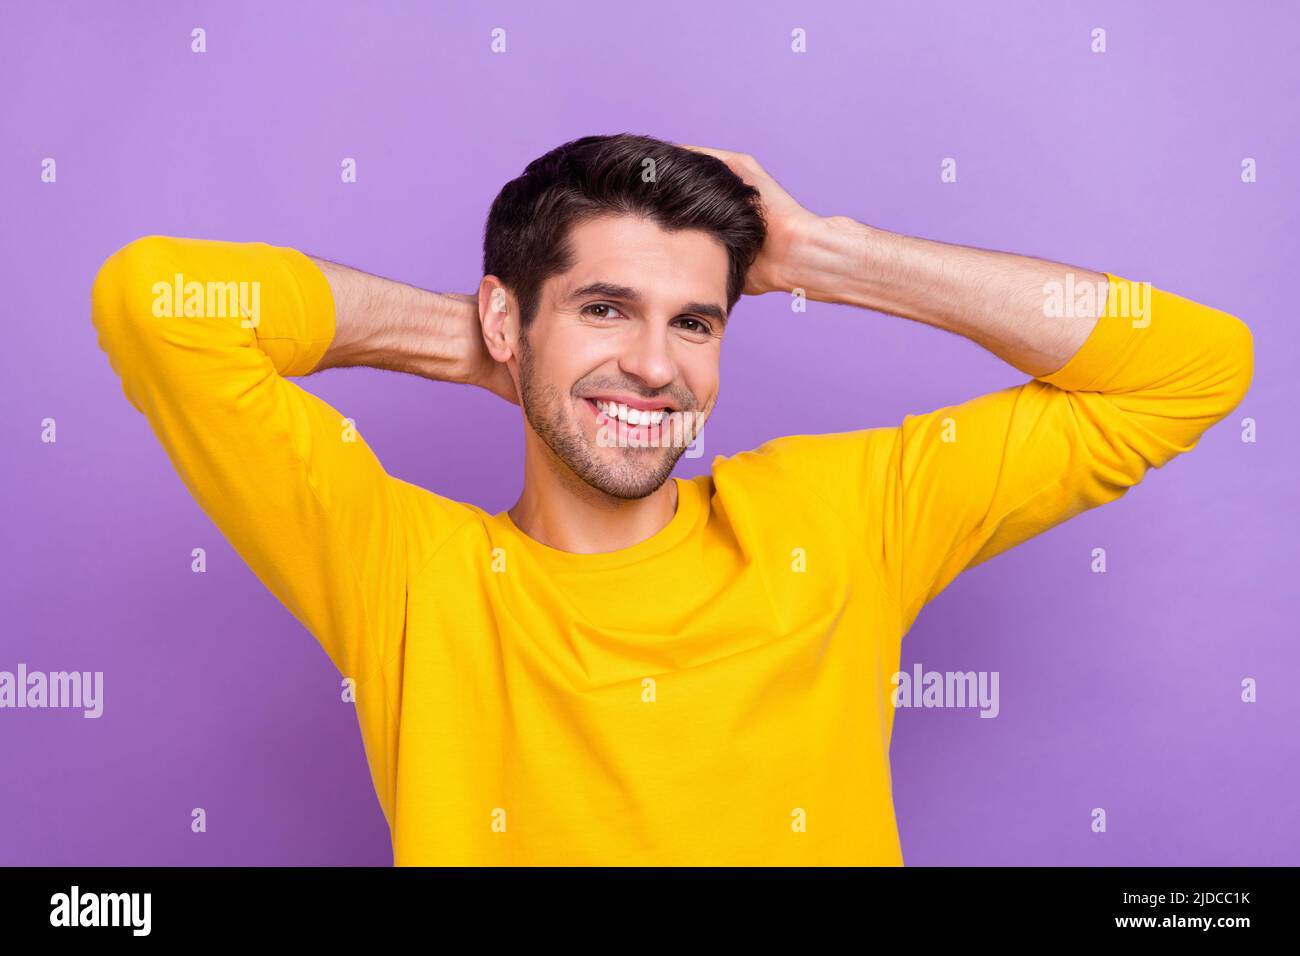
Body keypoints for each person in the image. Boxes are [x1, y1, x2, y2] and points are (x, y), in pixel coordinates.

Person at [90, 133, 1253, 865]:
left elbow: (1191, 367)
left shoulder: (833, 517)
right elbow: (160, 304)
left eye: (693, 321)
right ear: (508, 314)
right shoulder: (405, 573)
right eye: (604, 308)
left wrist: (832, 258)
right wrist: (489, 347)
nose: (655, 364)